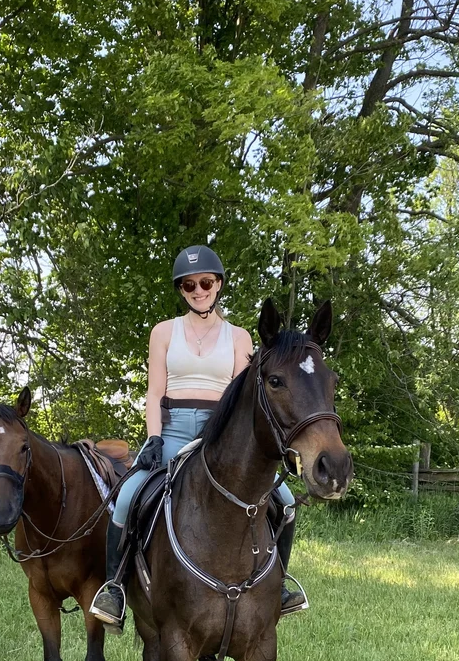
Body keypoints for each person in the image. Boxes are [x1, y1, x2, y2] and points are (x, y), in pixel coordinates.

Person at [89, 245, 307, 630]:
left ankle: (280, 584)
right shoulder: (163, 332)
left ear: (218, 284)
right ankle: (115, 589)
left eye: (205, 282)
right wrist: (153, 437)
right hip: (172, 430)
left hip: (219, 433)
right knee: (126, 498)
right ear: (182, 290)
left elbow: (244, 398)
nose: (198, 290)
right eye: (189, 285)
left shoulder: (239, 337)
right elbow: (155, 391)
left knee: (285, 501)